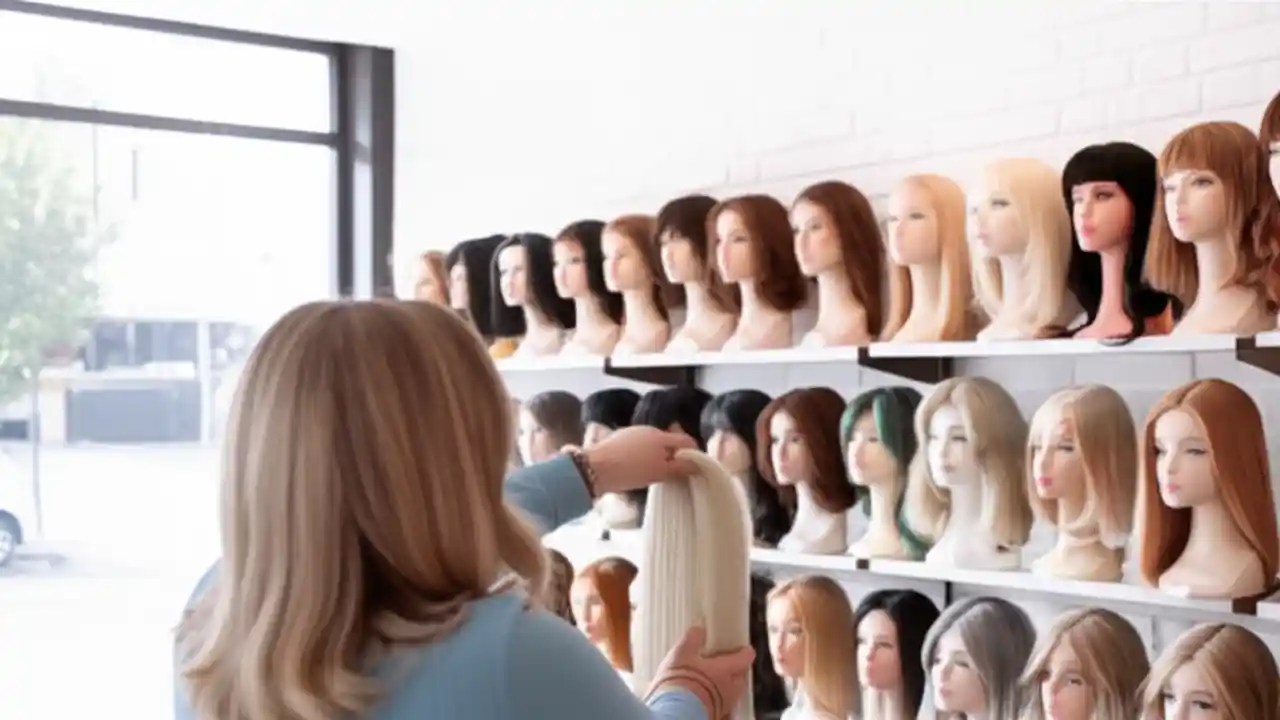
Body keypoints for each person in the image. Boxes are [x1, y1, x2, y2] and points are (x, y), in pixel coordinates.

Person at [173, 300, 754, 720]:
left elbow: (374, 521)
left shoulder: (213, 619)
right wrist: (686, 694)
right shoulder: (512, 655)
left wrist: (585, 473)